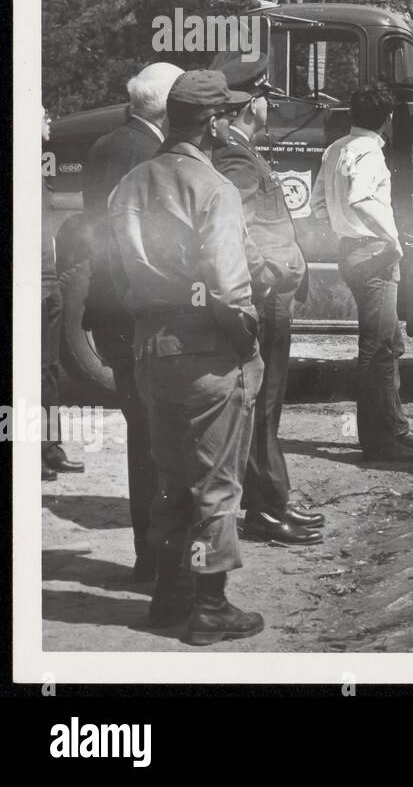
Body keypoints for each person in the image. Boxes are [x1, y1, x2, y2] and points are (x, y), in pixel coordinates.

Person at [109, 70, 265, 645]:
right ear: (216, 124)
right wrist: (246, 342)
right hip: (208, 354)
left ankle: (167, 596)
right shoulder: (215, 188)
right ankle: (209, 606)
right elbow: (229, 287)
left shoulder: (129, 185)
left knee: (171, 481)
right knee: (216, 485)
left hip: (152, 351)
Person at [213, 58, 322, 547]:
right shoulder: (234, 157)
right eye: (263, 96)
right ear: (246, 104)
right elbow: (239, 231)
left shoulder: (243, 150)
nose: (268, 104)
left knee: (270, 405)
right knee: (264, 405)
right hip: (266, 297)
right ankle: (265, 510)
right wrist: (272, 277)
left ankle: (272, 499)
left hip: (274, 294)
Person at [81, 61, 184, 579]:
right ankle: (157, 557)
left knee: (140, 433)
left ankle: (149, 550)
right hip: (140, 311)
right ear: (169, 108)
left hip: (108, 310)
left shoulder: (103, 147)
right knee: (159, 438)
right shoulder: (155, 157)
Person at [309, 84, 413, 463]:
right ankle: (378, 442)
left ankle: (395, 428)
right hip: (374, 254)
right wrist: (392, 239)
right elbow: (359, 198)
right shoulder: (369, 154)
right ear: (387, 119)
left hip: (352, 250)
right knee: (377, 350)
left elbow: (318, 204)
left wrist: (340, 229)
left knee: (389, 344)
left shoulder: (335, 150)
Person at [41, 107, 82, 481]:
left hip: (48, 282)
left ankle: (50, 449)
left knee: (50, 370)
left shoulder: (38, 171)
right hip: (33, 285)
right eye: (43, 117)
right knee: (34, 371)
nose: (50, 122)